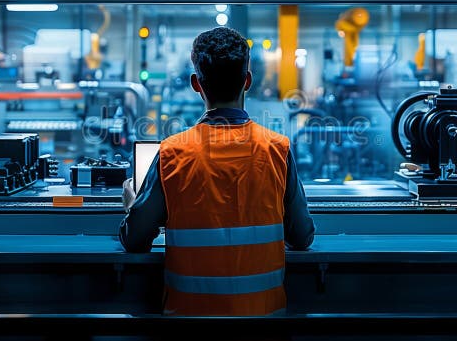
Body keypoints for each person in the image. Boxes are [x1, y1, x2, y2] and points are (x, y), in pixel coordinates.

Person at [119, 26, 315, 316]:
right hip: (265, 326)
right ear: (247, 81)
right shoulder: (277, 149)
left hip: (189, 324)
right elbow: (302, 237)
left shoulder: (173, 152)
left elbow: (135, 241)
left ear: (196, 84)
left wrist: (132, 203)